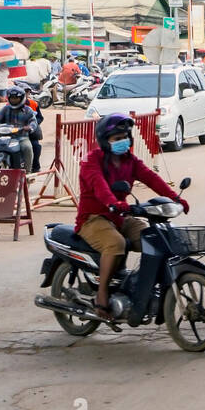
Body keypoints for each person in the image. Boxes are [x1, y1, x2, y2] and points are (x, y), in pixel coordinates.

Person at [76, 114, 188, 318]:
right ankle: (101, 295)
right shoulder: (92, 160)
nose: (122, 141)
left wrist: (175, 199)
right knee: (116, 243)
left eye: (124, 137)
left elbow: (151, 178)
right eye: (116, 138)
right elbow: (99, 185)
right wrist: (113, 203)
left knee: (154, 239)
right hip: (93, 218)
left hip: (120, 217)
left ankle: (138, 286)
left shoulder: (130, 160)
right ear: (104, 140)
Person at [0, 86, 38, 172]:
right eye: (12, 98)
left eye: (16, 98)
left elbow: (33, 121)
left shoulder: (28, 110)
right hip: (5, 137)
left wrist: (30, 127)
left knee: (27, 148)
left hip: (21, 137)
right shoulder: (5, 109)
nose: (14, 100)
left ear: (21, 98)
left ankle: (27, 172)